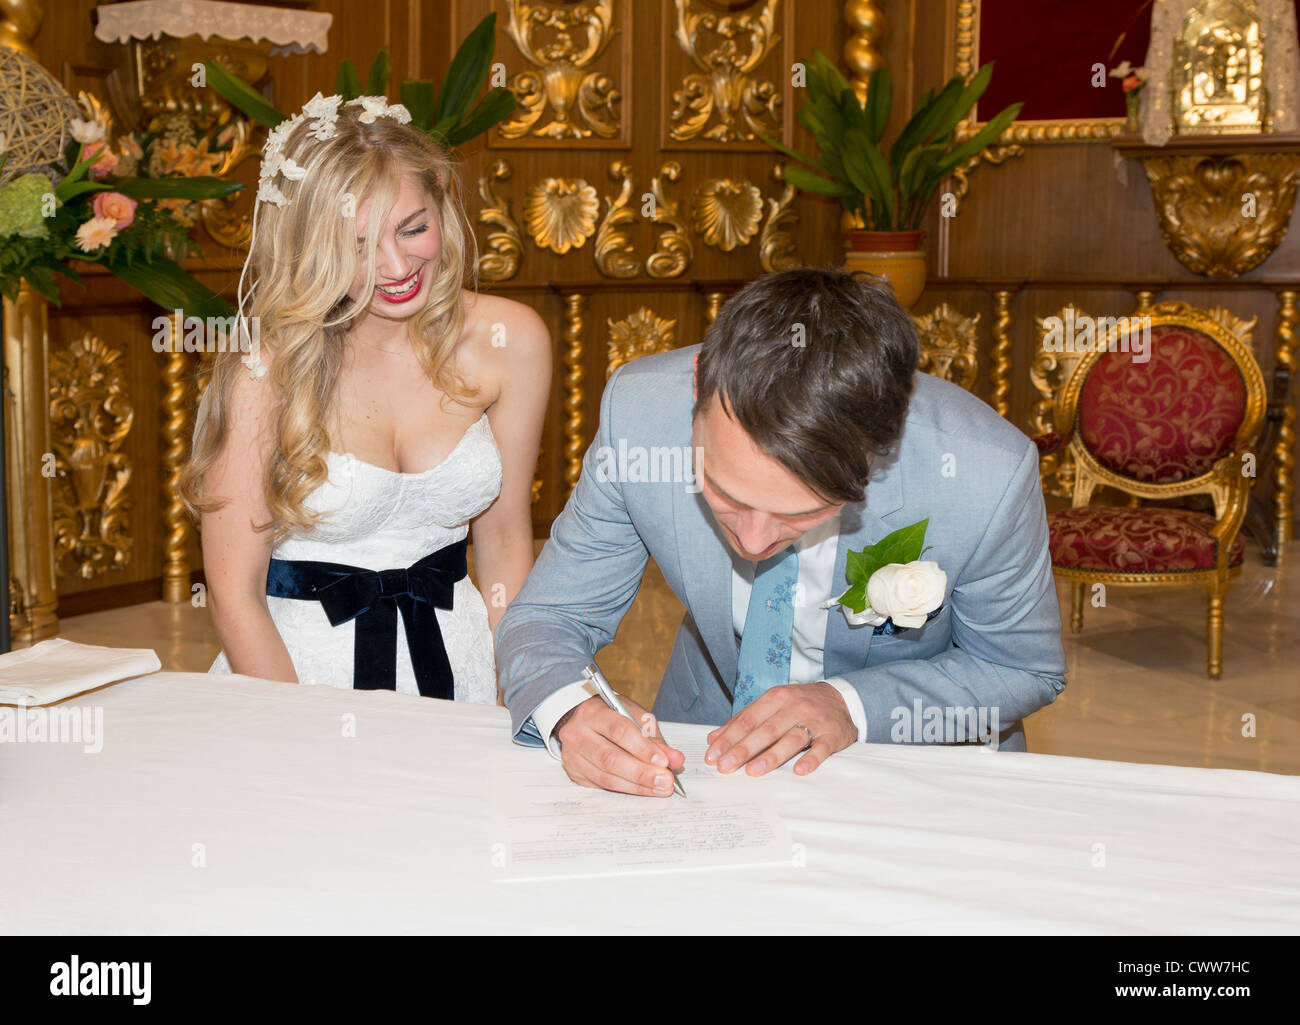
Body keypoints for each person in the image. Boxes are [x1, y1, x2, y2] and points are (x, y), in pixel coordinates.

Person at [496, 266, 1066, 795]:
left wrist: (850, 706)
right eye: (724, 493)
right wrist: (570, 708)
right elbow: (551, 614)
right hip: (701, 745)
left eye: (800, 513)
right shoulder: (639, 416)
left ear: (880, 450)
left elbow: (1020, 668)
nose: (750, 542)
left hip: (919, 774)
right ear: (698, 386)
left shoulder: (984, 473)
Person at [180, 94, 550, 702]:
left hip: (463, 669)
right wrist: (303, 734)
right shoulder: (265, 372)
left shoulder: (511, 342)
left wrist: (519, 693)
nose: (396, 265)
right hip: (296, 680)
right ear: (310, 247)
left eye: (413, 228)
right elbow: (233, 595)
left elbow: (507, 541)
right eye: (356, 246)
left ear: (440, 199)